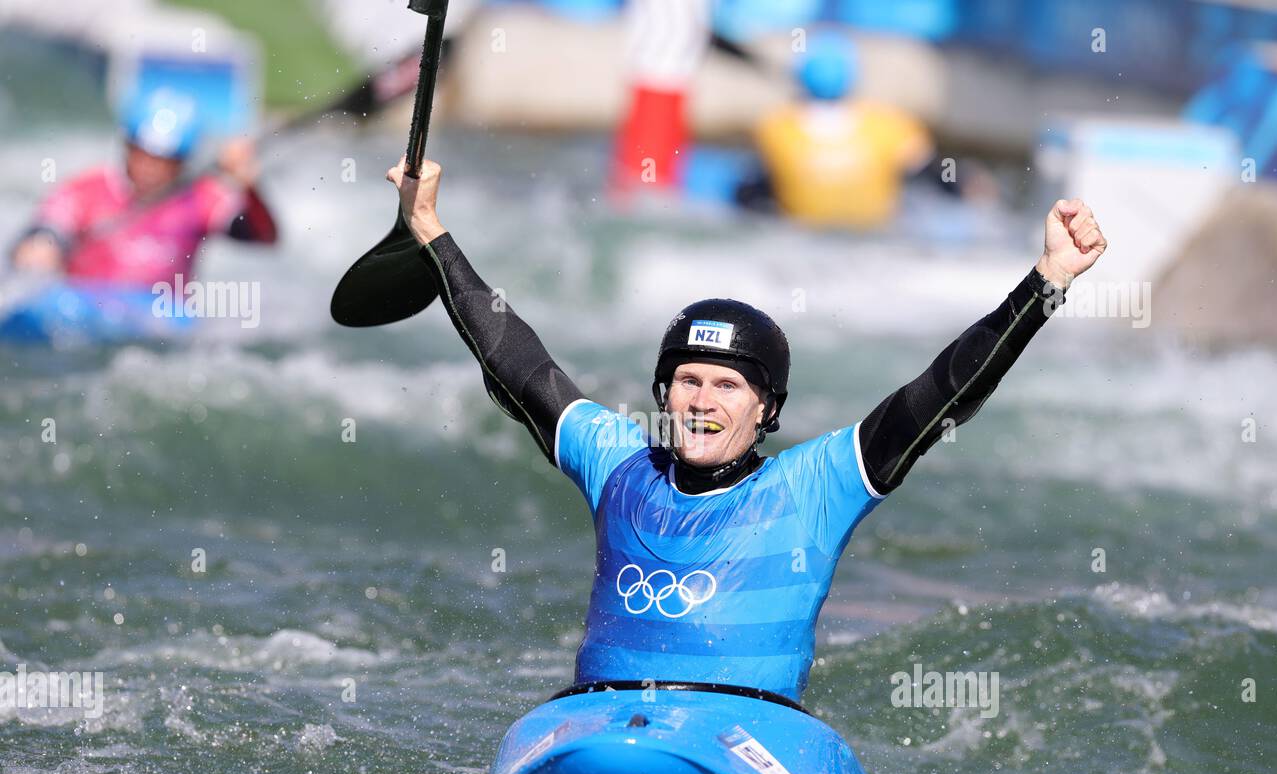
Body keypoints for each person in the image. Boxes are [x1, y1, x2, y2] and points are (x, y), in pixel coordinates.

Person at [391, 156, 1106, 702]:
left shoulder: (818, 484)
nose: (702, 400)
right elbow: (518, 363)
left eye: (728, 385)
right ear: (662, 392)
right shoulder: (616, 462)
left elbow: (943, 391)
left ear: (767, 409)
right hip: (604, 730)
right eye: (688, 380)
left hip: (741, 743)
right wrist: (429, 228)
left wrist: (1046, 282)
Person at [10, 86, 277, 287]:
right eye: (143, 154)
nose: (150, 167)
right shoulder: (88, 189)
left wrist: (249, 189)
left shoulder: (200, 198)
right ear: (128, 148)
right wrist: (41, 248)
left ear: (181, 162)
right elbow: (46, 229)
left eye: (164, 160)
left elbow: (265, 238)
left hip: (158, 319)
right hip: (84, 310)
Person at [745, 30, 937, 228]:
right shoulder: (890, 126)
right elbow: (936, 174)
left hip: (802, 236)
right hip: (873, 237)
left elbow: (751, 191)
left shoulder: (777, 129)